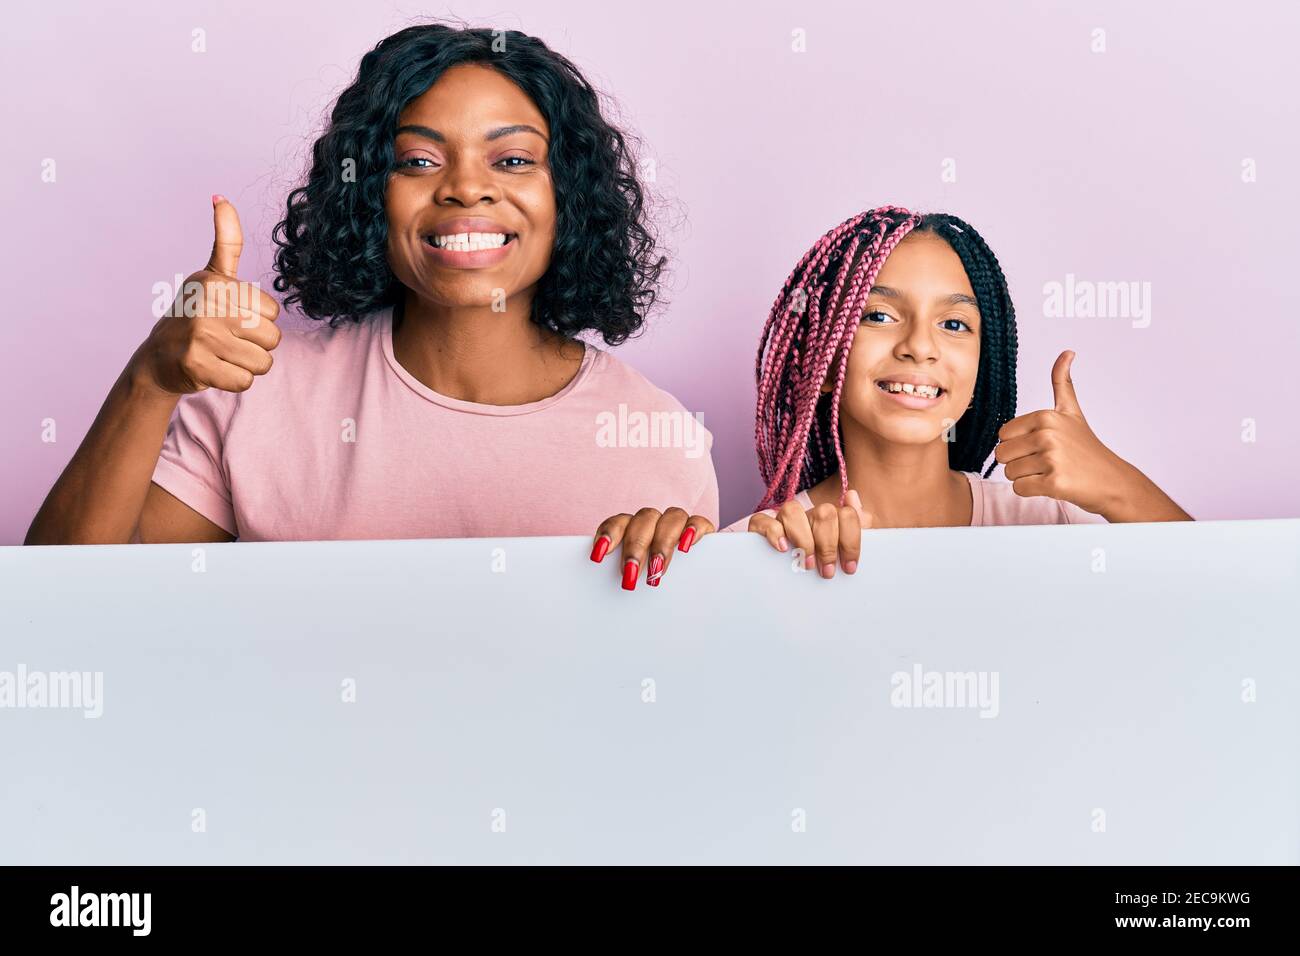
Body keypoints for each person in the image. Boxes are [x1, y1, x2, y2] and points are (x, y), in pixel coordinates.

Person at [26, 23, 717, 545]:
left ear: (567, 195)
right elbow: (68, 611)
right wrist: (149, 378)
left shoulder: (654, 438)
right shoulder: (256, 396)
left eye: (511, 159)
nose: (467, 188)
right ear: (369, 196)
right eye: (417, 160)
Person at [590, 206, 1191, 588]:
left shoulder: (1055, 523)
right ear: (823, 360)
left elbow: (1226, 605)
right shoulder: (762, 547)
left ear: (982, 367)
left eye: (954, 325)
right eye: (878, 315)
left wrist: (1116, 482)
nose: (919, 347)